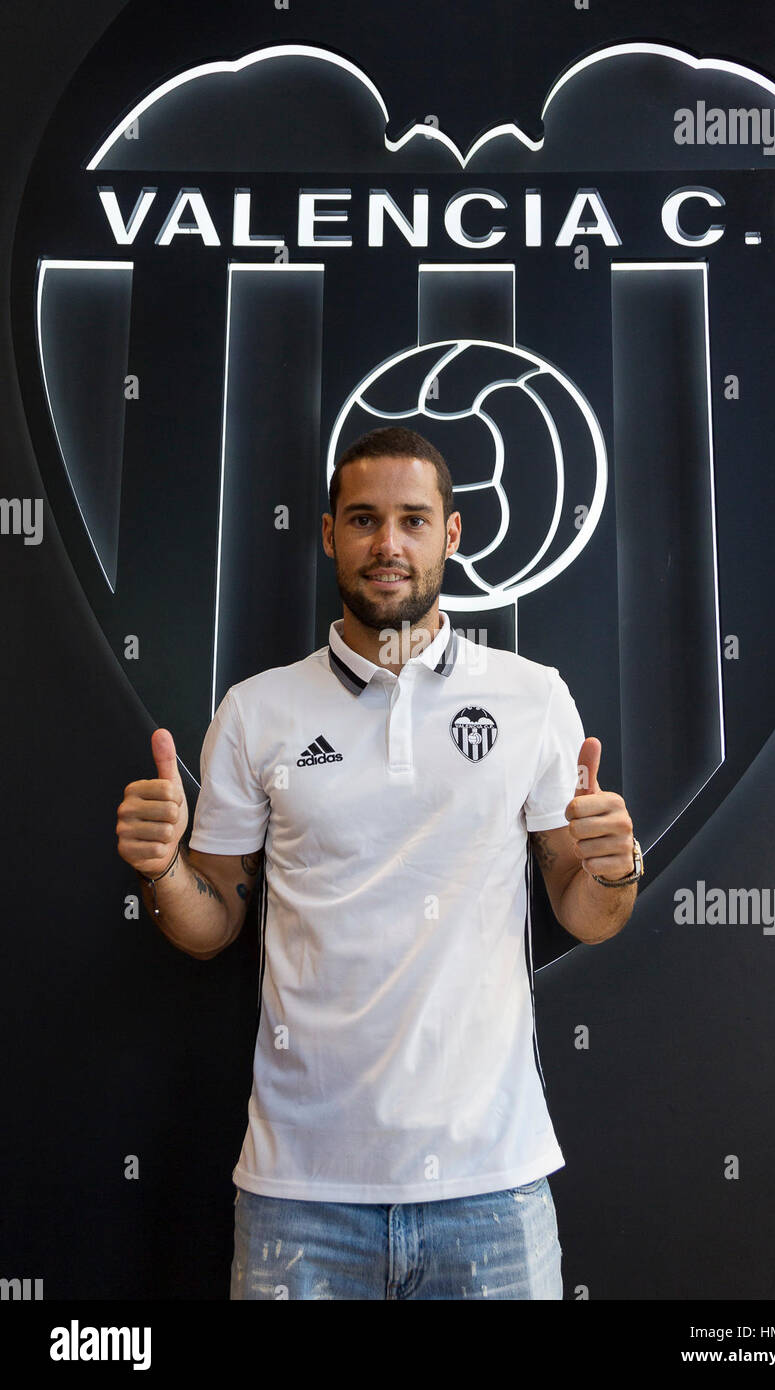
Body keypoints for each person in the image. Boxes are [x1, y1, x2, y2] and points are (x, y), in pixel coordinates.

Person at [115, 425, 642, 1300]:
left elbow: (586, 913)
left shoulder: (532, 696)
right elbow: (210, 925)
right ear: (328, 535)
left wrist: (613, 867)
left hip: (492, 1190)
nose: (388, 544)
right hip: (299, 1201)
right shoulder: (258, 712)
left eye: (412, 519)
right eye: (362, 520)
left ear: (452, 534)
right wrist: (164, 868)